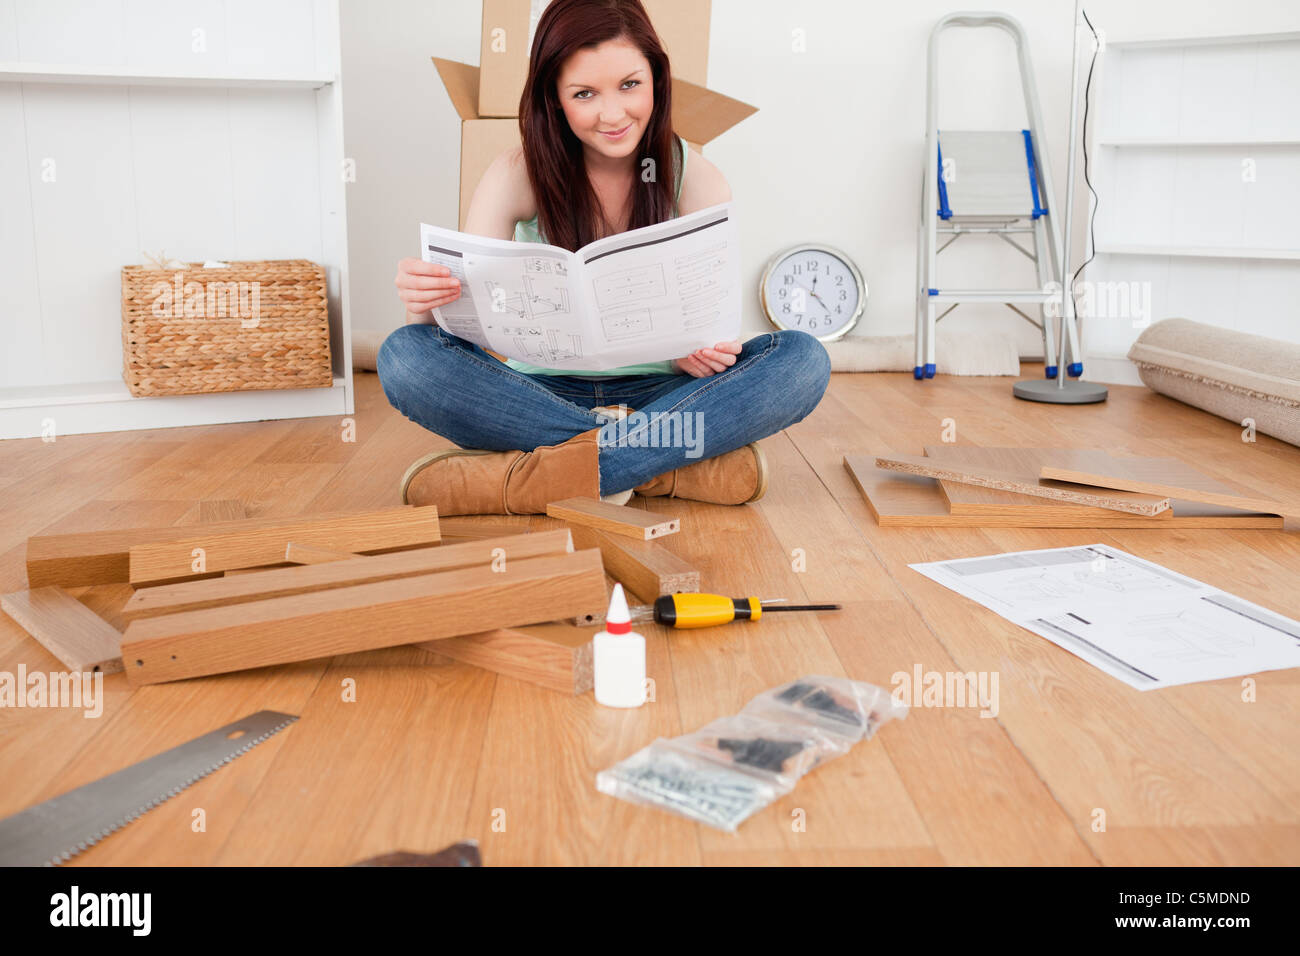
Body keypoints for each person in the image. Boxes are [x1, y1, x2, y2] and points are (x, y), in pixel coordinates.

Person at [378, 0, 830, 515]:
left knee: (803, 360)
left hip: (663, 395)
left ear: (657, 79)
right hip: (537, 397)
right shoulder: (516, 173)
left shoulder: (697, 178)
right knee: (402, 356)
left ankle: (543, 474)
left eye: (630, 85)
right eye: (585, 94)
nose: (613, 114)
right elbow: (461, 333)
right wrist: (421, 303)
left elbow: (714, 325)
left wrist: (703, 350)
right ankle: (657, 467)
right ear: (555, 99)